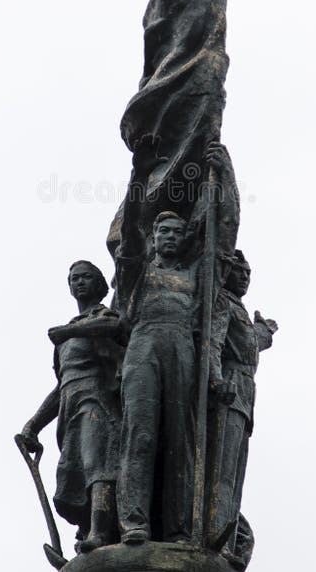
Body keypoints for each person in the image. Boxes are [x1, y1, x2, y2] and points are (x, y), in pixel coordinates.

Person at [114, 135, 239, 544]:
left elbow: (223, 237)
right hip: (143, 348)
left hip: (183, 349)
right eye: (162, 231)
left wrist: (226, 176)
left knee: (180, 442)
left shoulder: (194, 278)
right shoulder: (136, 274)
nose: (168, 236)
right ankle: (134, 521)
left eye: (175, 231)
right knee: (142, 433)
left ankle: (181, 529)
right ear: (154, 239)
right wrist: (137, 175)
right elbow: (130, 233)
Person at [20, 261, 124, 552]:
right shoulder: (66, 334)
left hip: (97, 401)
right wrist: (33, 425)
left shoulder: (100, 316)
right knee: (72, 474)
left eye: (86, 277)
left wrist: (69, 333)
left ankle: (100, 533)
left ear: (100, 284)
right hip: (70, 407)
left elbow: (115, 325)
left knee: (98, 466)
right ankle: (87, 530)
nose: (79, 283)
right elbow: (60, 386)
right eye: (74, 279)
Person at [208, 250, 277, 569]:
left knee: (235, 471)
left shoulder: (240, 308)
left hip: (245, 391)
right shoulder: (222, 300)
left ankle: (229, 535)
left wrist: (265, 333)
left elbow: (248, 345)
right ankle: (216, 536)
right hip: (230, 387)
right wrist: (216, 379)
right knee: (222, 470)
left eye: (249, 272)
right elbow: (215, 342)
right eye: (239, 271)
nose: (245, 277)